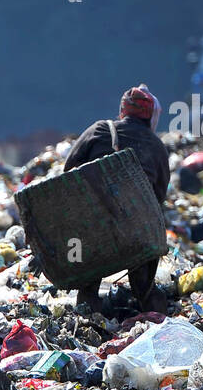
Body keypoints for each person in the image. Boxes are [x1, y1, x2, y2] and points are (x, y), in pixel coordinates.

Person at [63, 84, 171, 314]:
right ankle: (153, 314)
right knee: (147, 290)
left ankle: (88, 320)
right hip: (137, 234)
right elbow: (159, 197)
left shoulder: (99, 130)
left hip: (92, 232)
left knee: (88, 288)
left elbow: (68, 173)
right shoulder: (156, 146)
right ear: (151, 116)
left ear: (123, 110)